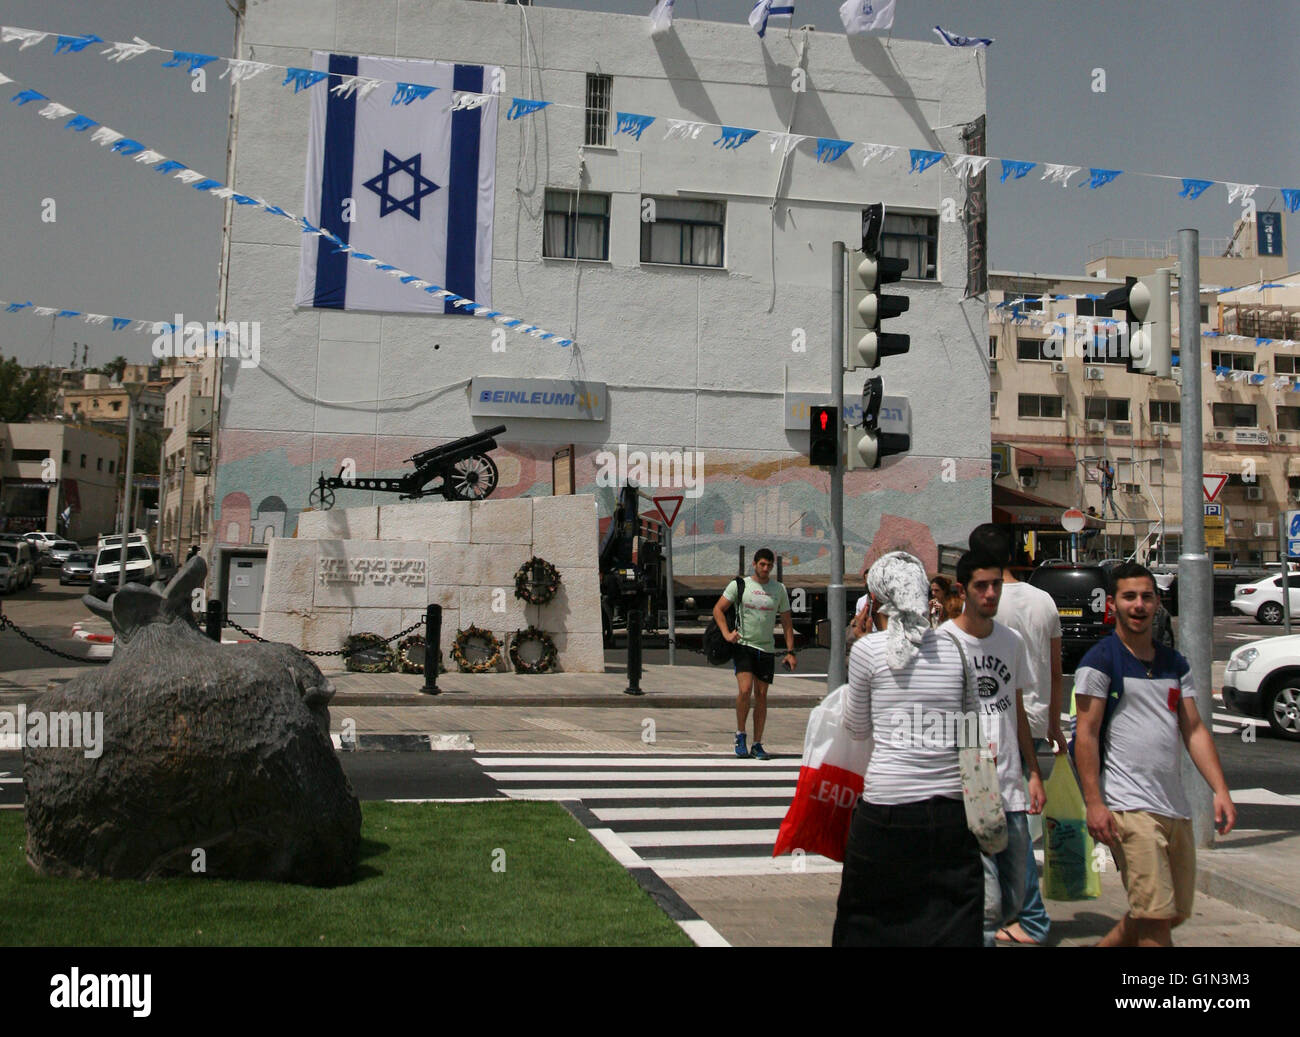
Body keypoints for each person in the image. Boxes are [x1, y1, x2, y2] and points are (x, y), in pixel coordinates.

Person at [1074, 562, 1236, 947]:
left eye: (1147, 597)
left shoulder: (1174, 664)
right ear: (1113, 604)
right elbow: (1086, 734)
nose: (1139, 605)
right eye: (1129, 597)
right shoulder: (1099, 661)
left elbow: (1194, 729)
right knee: (1155, 921)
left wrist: (1221, 790)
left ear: (1158, 603)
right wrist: (1095, 804)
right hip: (1129, 807)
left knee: (1172, 912)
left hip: (1174, 807)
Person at [834, 551, 983, 947]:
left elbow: (857, 727)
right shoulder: (956, 649)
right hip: (952, 811)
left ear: (879, 598)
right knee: (951, 921)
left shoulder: (867, 652)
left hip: (887, 809)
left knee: (868, 919)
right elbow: (971, 729)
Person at [939, 550, 1045, 948]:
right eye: (981, 586)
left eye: (995, 585)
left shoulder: (1010, 642)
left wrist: (1034, 773)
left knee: (1016, 893)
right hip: (966, 785)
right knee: (987, 904)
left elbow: (1015, 709)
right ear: (963, 590)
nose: (990, 593)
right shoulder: (944, 642)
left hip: (1010, 784)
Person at [969, 523, 1065, 945]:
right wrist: (1057, 720)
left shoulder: (988, 609)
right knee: (1012, 823)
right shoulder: (1044, 600)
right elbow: (1057, 667)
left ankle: (1022, 916)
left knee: (1005, 827)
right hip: (1037, 716)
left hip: (1004, 725)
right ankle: (1018, 914)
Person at [713, 548, 795, 761]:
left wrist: (790, 651)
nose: (766, 569)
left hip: (766, 648)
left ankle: (757, 743)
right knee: (745, 689)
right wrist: (726, 633)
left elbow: (786, 622)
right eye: (762, 564)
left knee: (761, 696)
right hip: (744, 645)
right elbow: (718, 610)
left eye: (769, 565)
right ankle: (741, 734)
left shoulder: (779, 589)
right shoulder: (740, 585)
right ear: (755, 564)